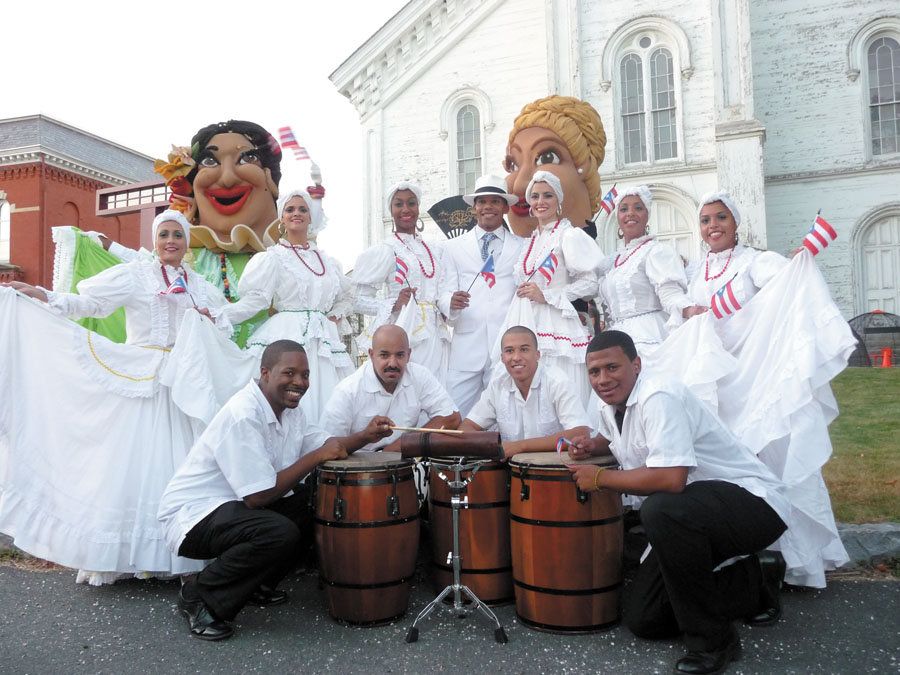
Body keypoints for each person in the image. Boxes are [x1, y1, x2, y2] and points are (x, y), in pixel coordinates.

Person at [0, 210, 231, 585]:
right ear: (155, 240)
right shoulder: (137, 275)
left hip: (185, 384)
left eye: (177, 234)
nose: (170, 241)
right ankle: (126, 556)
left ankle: (183, 552)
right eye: (164, 234)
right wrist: (44, 295)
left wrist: (212, 319)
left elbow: (225, 324)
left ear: (187, 242)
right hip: (142, 378)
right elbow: (90, 304)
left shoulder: (201, 286)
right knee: (135, 466)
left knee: (183, 466)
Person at [568, 331, 790, 675]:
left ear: (636, 364)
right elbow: (613, 438)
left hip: (753, 503)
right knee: (646, 620)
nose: (602, 379)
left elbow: (671, 479)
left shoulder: (659, 396)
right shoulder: (610, 401)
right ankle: (755, 579)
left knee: (659, 509)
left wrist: (600, 478)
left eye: (612, 367)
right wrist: (591, 446)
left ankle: (713, 642)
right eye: (594, 372)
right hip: (692, 512)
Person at [660, 190, 850, 588]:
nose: (713, 226)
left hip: (752, 375)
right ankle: (733, 557)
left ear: (736, 223)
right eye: (706, 220)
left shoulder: (754, 262)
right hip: (712, 382)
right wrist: (689, 311)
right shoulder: (695, 272)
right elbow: (679, 314)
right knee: (721, 464)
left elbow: (783, 287)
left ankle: (788, 559)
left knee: (767, 456)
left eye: (721, 218)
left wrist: (795, 269)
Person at [157, 340, 394, 640]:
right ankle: (199, 596)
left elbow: (328, 446)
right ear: (265, 373)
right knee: (277, 532)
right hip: (194, 516)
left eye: (305, 375)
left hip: (234, 508)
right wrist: (315, 458)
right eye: (289, 373)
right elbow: (258, 497)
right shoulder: (244, 414)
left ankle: (257, 586)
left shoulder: (290, 411)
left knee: (316, 501)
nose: (300, 382)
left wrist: (366, 436)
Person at [221, 188, 354, 421]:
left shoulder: (328, 262)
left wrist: (335, 315)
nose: (296, 213)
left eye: (303, 209)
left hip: (323, 340)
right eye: (290, 209)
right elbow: (256, 300)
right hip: (286, 335)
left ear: (311, 217)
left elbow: (347, 297)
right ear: (281, 218)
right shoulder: (274, 257)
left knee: (332, 402)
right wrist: (219, 316)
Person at [496, 170, 602, 406]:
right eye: (535, 196)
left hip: (556, 324)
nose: (540, 202)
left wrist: (548, 296)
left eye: (547, 195)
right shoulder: (532, 240)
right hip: (524, 319)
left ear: (558, 200)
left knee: (557, 388)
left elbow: (590, 284)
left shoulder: (568, 235)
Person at [438, 175, 526, 416]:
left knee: (507, 414)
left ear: (505, 207)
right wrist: (451, 303)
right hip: (466, 345)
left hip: (505, 344)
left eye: (495, 201)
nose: (488, 206)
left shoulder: (522, 246)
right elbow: (444, 292)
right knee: (453, 413)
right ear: (474, 207)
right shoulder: (453, 247)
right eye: (482, 201)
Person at [353, 180, 449, 379]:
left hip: (436, 332)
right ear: (391, 210)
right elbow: (358, 300)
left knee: (436, 385)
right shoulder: (386, 250)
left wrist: (447, 307)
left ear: (418, 207)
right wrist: (394, 304)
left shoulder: (435, 249)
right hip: (404, 330)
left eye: (411, 203)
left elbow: (441, 291)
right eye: (399, 204)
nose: (406, 209)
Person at [596, 186, 704, 355]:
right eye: (624, 209)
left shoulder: (656, 252)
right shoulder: (610, 263)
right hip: (615, 337)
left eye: (638, 208)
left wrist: (688, 309)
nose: (630, 213)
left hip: (648, 334)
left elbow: (670, 293)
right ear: (618, 217)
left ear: (647, 215)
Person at [319, 325, 460, 453]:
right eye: (384, 355)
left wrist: (398, 447)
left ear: (408, 355)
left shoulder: (419, 376)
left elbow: (451, 417)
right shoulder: (348, 390)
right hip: (358, 468)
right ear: (371, 355)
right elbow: (326, 446)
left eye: (400, 355)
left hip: (405, 462)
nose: (392, 363)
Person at [460, 326, 590, 458]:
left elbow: (581, 433)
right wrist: (490, 448)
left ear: (537, 355)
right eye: (509, 351)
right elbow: (467, 427)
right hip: (509, 468)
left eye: (524, 349)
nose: (516, 357)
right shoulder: (498, 384)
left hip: (554, 468)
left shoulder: (557, 381)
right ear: (502, 358)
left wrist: (520, 446)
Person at [503, 95, 608, 238]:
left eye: (547, 158)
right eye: (514, 166)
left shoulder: (577, 243)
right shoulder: (519, 249)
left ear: (585, 165)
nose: (519, 186)